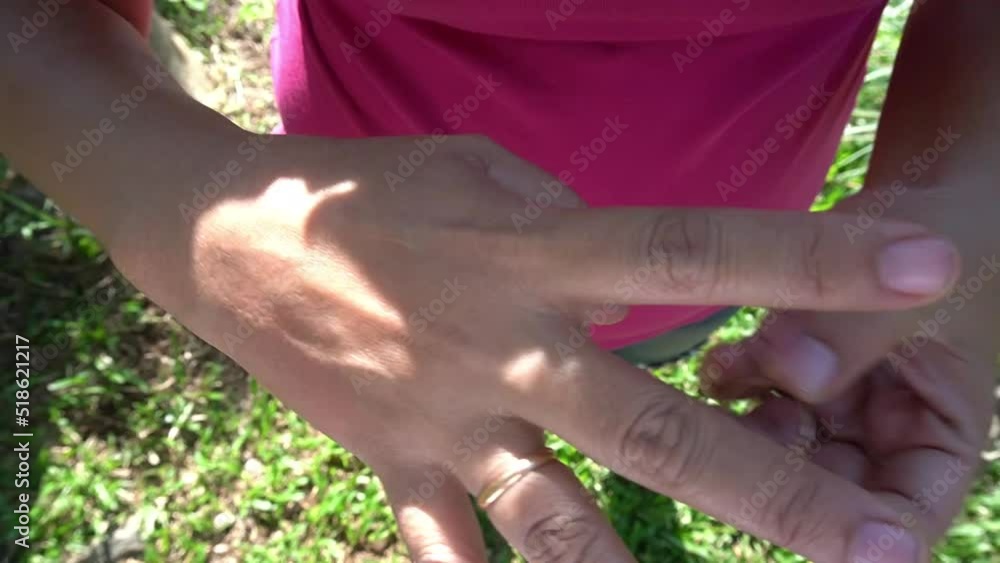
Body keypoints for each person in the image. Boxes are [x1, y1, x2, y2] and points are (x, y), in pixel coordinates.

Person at [1, 1, 995, 561]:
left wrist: (961, 183)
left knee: (653, 366)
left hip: (730, 246)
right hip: (366, 282)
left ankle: (614, 447)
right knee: (452, 429)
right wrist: (191, 212)